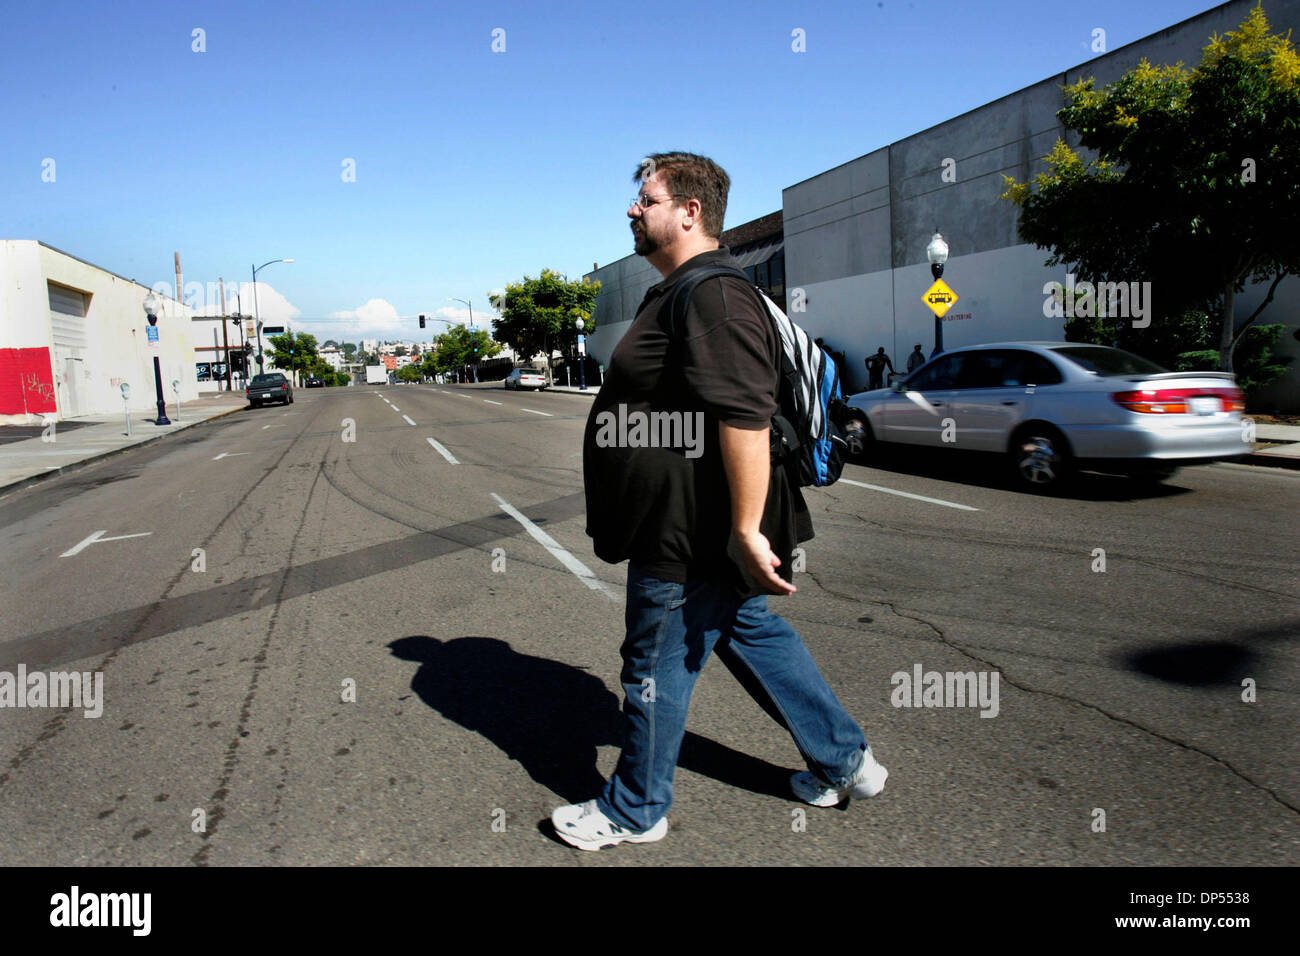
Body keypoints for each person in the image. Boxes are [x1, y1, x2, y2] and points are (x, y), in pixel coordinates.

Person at [552, 152, 886, 852]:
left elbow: (745, 415)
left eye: (646, 199)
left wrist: (741, 528)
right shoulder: (678, 292)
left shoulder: (714, 295)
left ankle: (635, 808)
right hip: (697, 523)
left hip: (694, 530)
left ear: (689, 211)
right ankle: (845, 761)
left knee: (652, 666)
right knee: (751, 635)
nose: (633, 210)